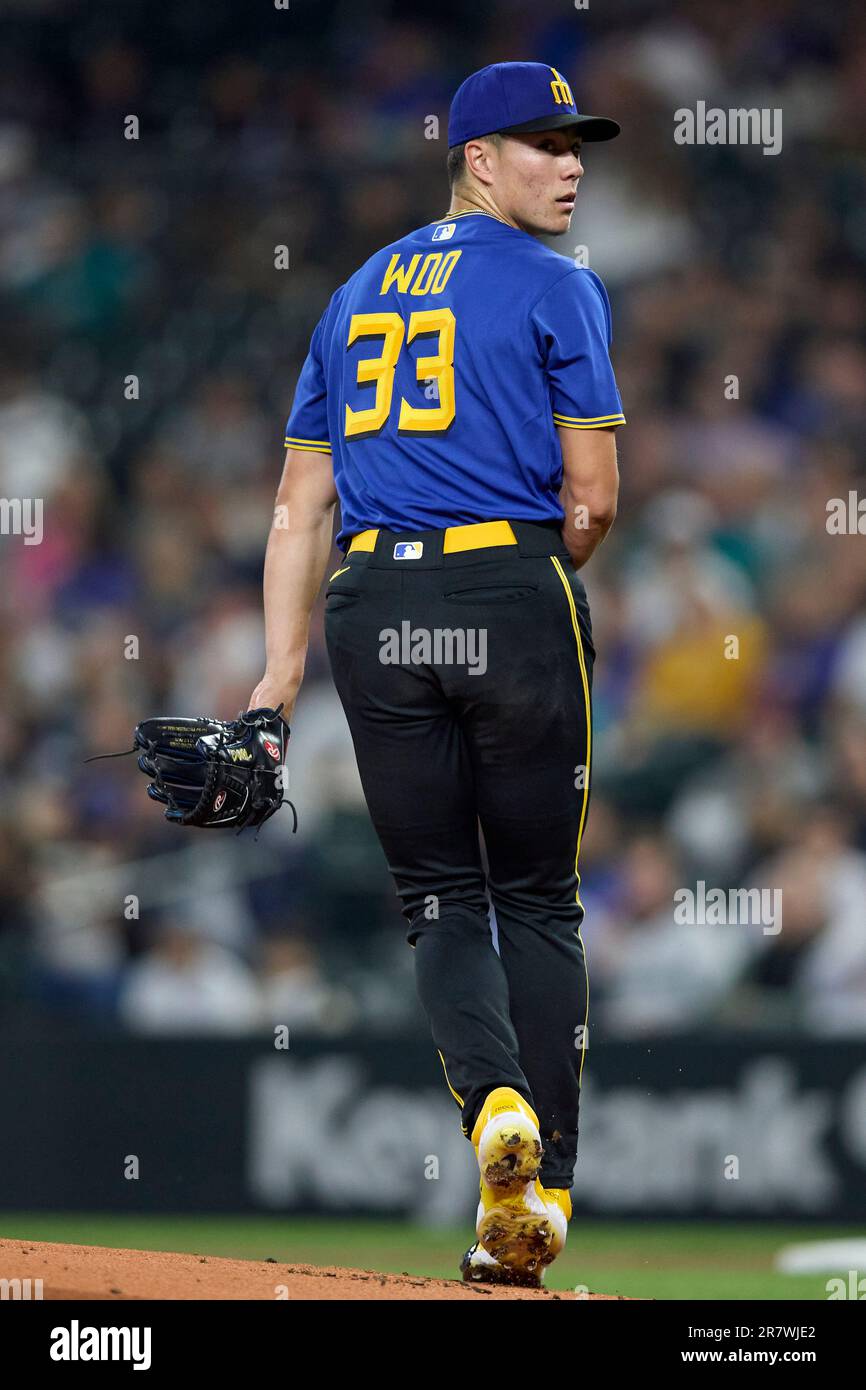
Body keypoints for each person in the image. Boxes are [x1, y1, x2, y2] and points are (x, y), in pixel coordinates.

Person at [249, 61, 625, 1286]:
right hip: (504, 592)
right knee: (535, 898)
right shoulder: (555, 284)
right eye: (540, 144)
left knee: (435, 899)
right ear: (476, 158)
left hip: (374, 609)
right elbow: (592, 498)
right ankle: (543, 1186)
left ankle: (491, 1109)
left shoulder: (353, 290)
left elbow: (298, 508)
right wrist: (536, 572)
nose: (568, 163)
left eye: (575, 144)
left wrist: (274, 679)